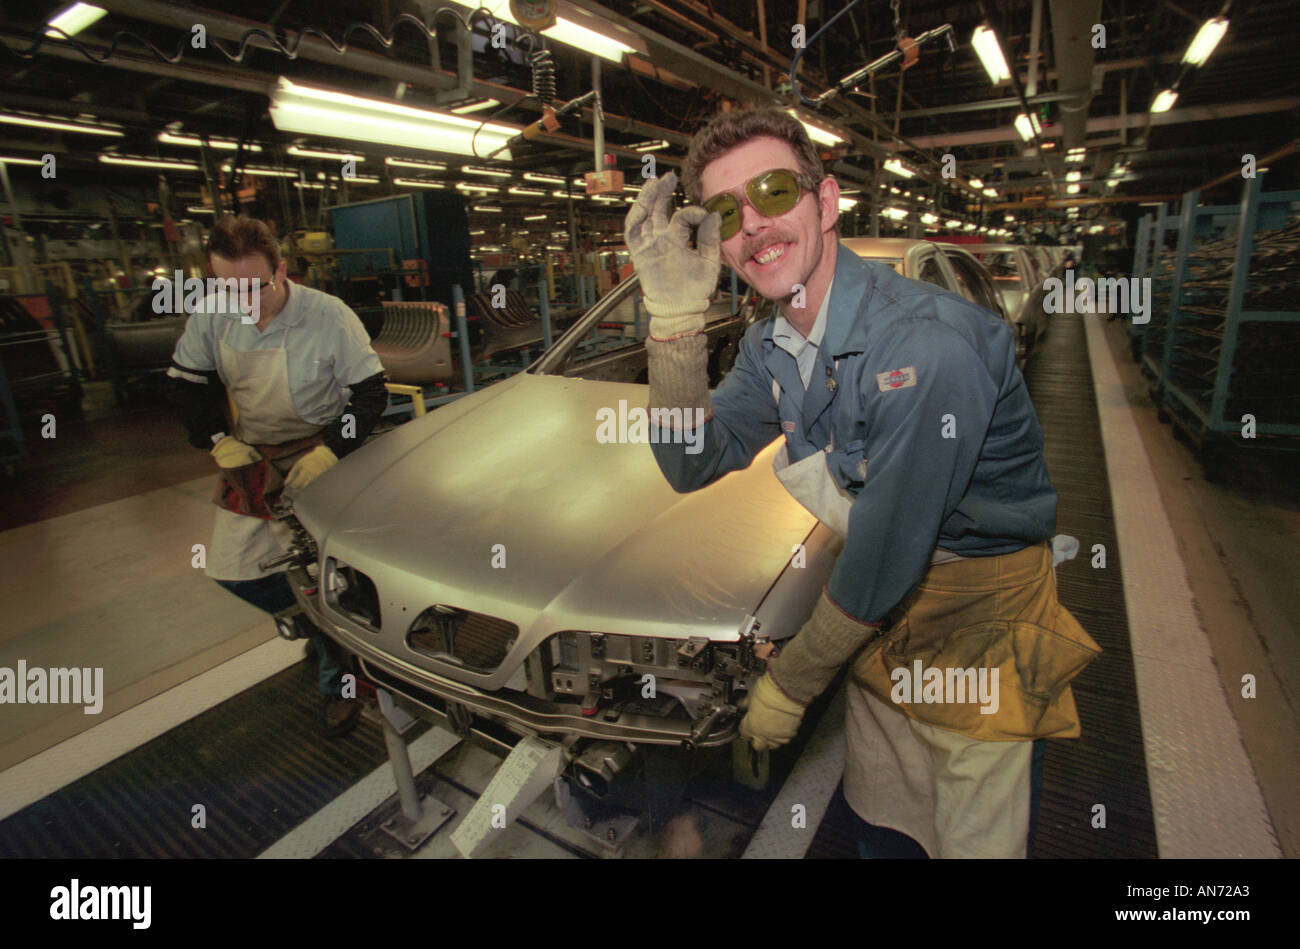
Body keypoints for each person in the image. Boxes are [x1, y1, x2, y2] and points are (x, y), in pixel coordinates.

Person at [625, 108, 1100, 858]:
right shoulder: (770, 343)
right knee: (886, 828)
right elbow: (691, 461)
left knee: (975, 841)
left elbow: (886, 552)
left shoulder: (927, 347)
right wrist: (675, 321)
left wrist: (788, 687)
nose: (752, 225)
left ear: (826, 201)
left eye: (774, 190)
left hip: (979, 628)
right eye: (726, 210)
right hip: (877, 632)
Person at [167, 215, 388, 736]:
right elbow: (185, 384)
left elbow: (370, 394)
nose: (243, 301)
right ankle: (326, 629)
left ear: (281, 271)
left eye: (254, 288)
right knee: (234, 568)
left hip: (323, 454)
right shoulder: (212, 314)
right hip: (254, 457)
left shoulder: (328, 315)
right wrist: (219, 440)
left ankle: (344, 683)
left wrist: (333, 449)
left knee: (328, 573)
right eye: (228, 288)